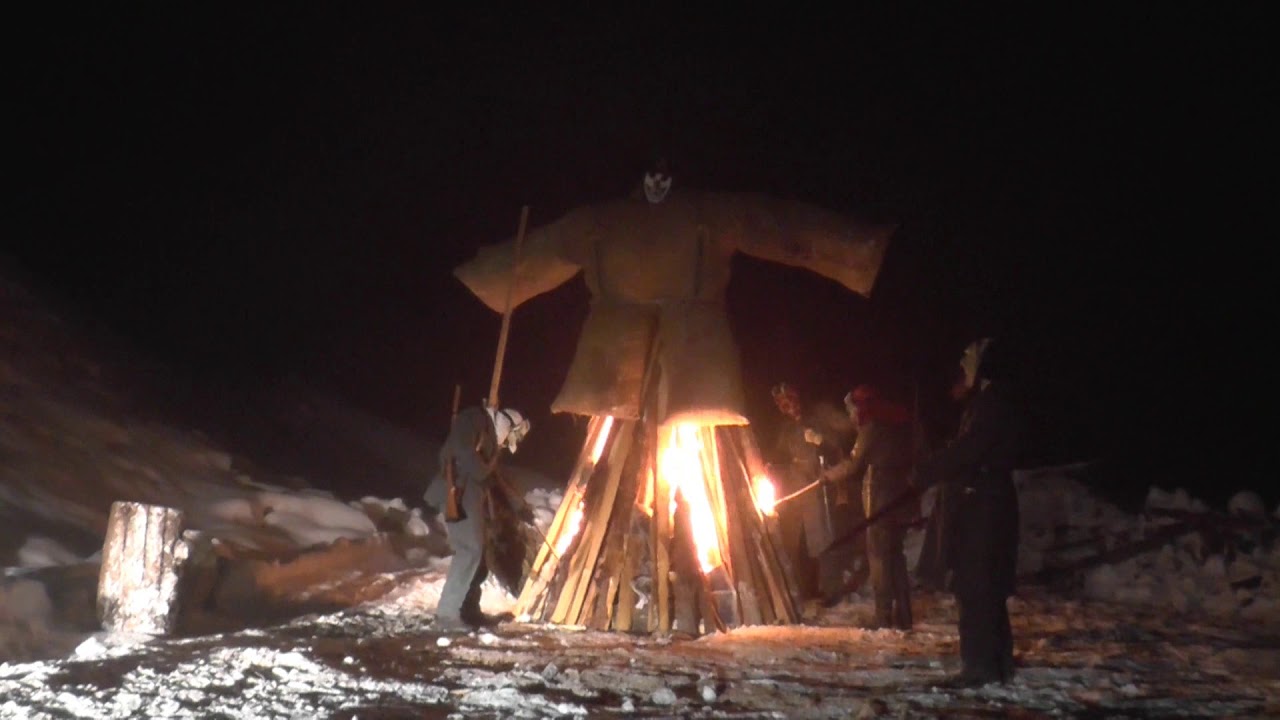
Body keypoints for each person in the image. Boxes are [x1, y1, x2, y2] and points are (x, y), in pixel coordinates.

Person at [912, 338, 1024, 685]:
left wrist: (928, 470)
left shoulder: (992, 403)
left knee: (976, 585)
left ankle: (981, 666)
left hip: (983, 507)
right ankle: (997, 662)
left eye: (968, 365)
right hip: (986, 501)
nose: (963, 371)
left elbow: (970, 449)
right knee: (985, 586)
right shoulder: (989, 401)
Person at [423, 403, 531, 632]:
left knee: (478, 553)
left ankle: (468, 610)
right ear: (508, 425)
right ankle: (447, 614)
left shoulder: (490, 439)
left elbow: (494, 479)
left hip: (470, 496)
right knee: (469, 550)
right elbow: (464, 455)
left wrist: (518, 506)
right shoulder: (473, 418)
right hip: (457, 492)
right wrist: (483, 471)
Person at [822, 384, 915, 630]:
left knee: (879, 556)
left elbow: (854, 463)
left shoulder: (872, 427)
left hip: (880, 494)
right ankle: (904, 615)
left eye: (851, 410)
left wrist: (829, 476)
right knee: (895, 555)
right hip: (901, 493)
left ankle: (883, 616)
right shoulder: (898, 423)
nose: (851, 416)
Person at [768, 382, 861, 606]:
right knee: (800, 542)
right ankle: (807, 588)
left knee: (823, 539)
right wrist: (771, 464)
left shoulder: (818, 417)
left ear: (796, 397)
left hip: (820, 487)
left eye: (789, 400)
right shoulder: (787, 428)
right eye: (781, 404)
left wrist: (822, 441)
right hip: (797, 488)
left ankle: (831, 589)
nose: (787, 407)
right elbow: (781, 453)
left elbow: (843, 442)